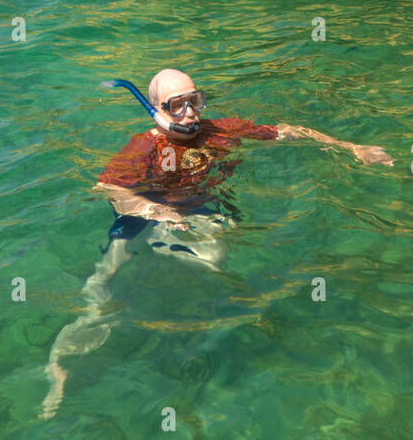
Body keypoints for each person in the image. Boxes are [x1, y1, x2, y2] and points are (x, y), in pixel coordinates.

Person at [40, 69, 392, 418]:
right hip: (142, 210)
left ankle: (176, 288)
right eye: (177, 105)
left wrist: (351, 147)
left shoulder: (219, 130)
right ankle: (61, 363)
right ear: (156, 109)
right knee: (103, 280)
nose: (191, 111)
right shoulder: (144, 146)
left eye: (195, 100)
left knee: (212, 260)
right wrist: (154, 210)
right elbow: (108, 188)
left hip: (195, 208)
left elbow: (285, 130)